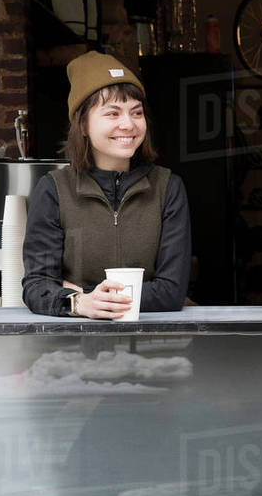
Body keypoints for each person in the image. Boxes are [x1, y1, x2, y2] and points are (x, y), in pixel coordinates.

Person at [22, 51, 191, 317]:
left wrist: (85, 294)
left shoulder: (168, 188)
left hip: (154, 344)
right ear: (83, 125)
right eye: (112, 114)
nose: (128, 124)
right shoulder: (54, 190)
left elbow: (171, 292)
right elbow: (36, 287)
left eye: (136, 112)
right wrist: (77, 304)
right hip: (73, 347)